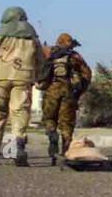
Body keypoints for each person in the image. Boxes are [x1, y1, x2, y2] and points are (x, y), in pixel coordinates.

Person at [0, 6, 44, 167]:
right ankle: (18, 148)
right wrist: (38, 76)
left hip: (1, 77)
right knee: (19, 112)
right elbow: (40, 60)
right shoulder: (32, 37)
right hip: (24, 78)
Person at [38, 32, 92, 164]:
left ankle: (52, 136)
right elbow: (87, 74)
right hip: (68, 92)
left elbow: (41, 74)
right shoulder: (74, 57)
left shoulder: (50, 55)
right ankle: (66, 152)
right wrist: (80, 90)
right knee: (66, 124)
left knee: (49, 118)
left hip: (51, 91)